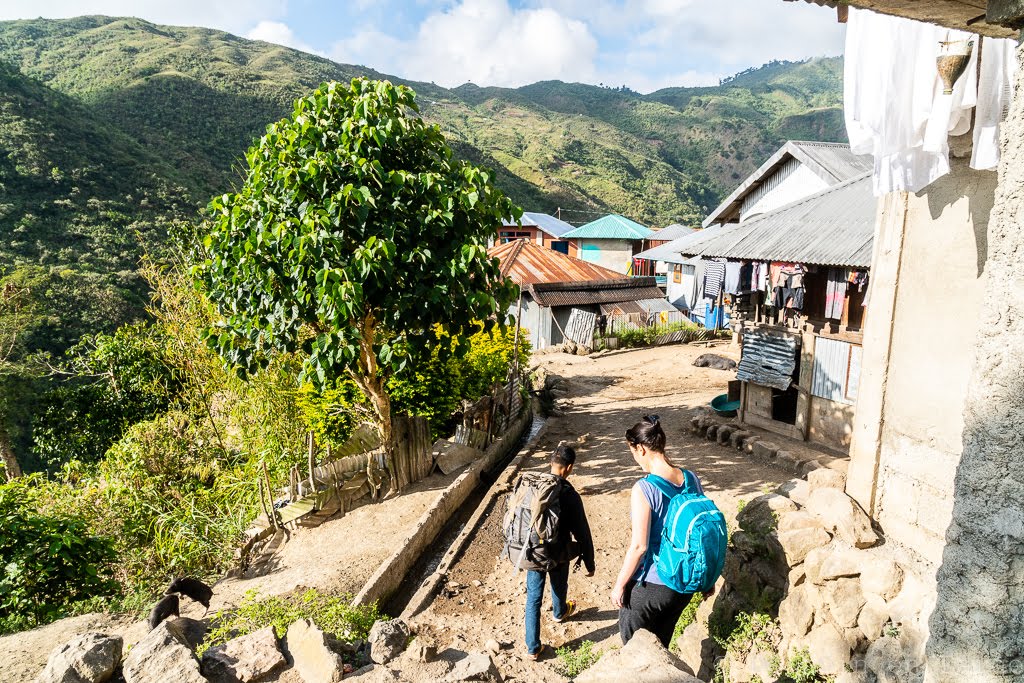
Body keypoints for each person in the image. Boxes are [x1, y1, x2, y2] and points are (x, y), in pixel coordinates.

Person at [611, 414, 708, 647]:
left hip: (655, 582)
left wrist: (619, 585)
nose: (635, 458)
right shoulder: (691, 479)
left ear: (642, 449)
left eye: (633, 452)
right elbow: (701, 531)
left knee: (632, 647)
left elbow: (639, 547)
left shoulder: (644, 488)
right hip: (684, 586)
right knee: (661, 645)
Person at [514, 444, 595, 660]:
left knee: (533, 598)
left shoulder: (535, 486)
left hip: (534, 551)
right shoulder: (569, 494)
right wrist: (589, 562)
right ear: (569, 468)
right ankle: (559, 613)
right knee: (559, 584)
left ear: (551, 463)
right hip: (557, 552)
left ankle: (532, 648)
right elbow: (582, 532)